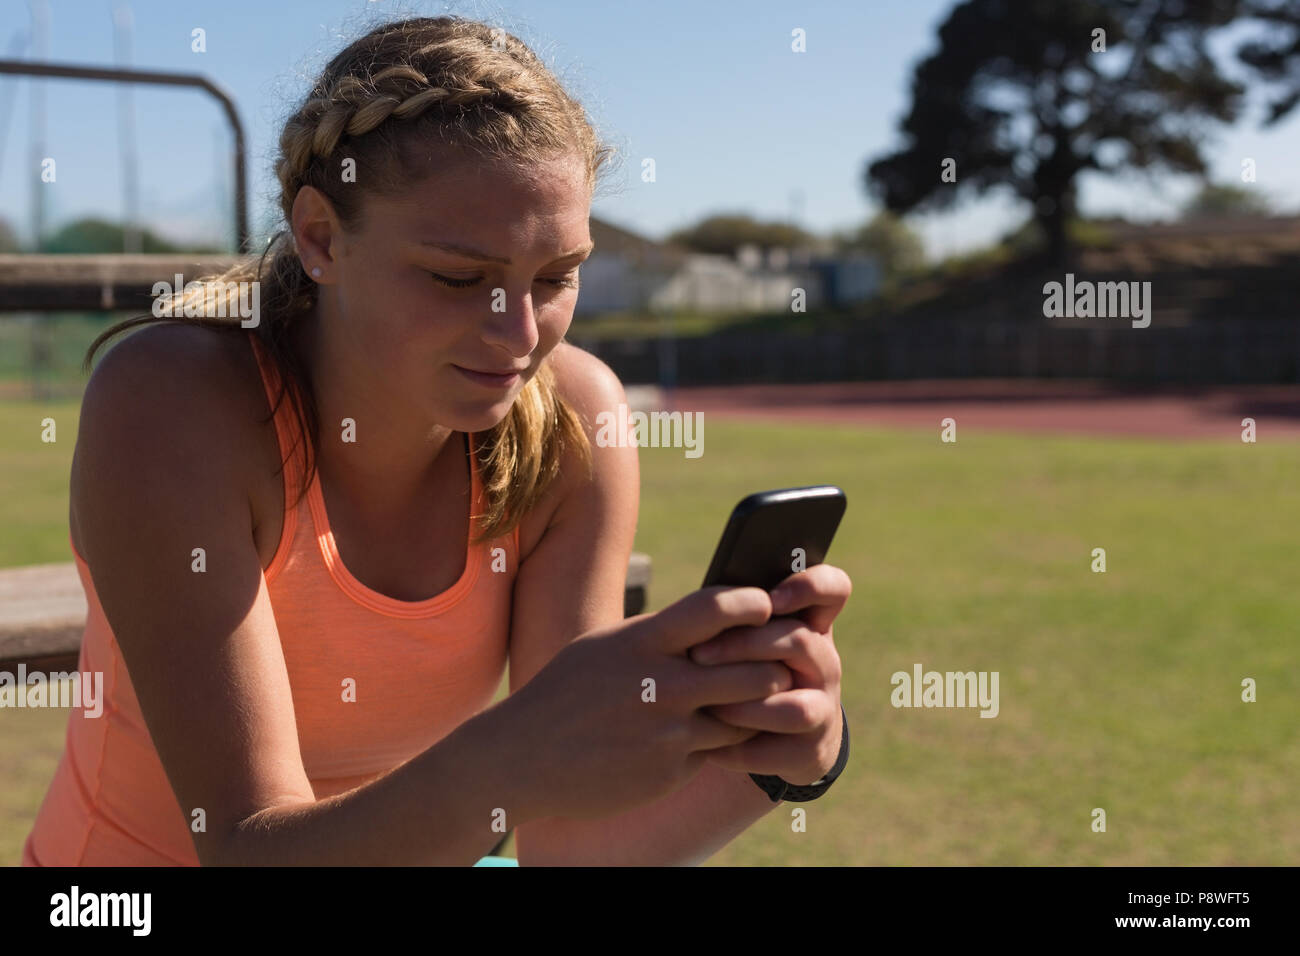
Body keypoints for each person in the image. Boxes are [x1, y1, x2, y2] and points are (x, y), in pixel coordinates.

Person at [21, 14, 850, 867]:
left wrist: (776, 762)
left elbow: (569, 851)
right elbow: (245, 850)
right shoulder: (174, 400)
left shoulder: (572, 421)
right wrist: (517, 754)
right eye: (461, 278)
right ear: (320, 237)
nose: (519, 335)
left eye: (558, 278)